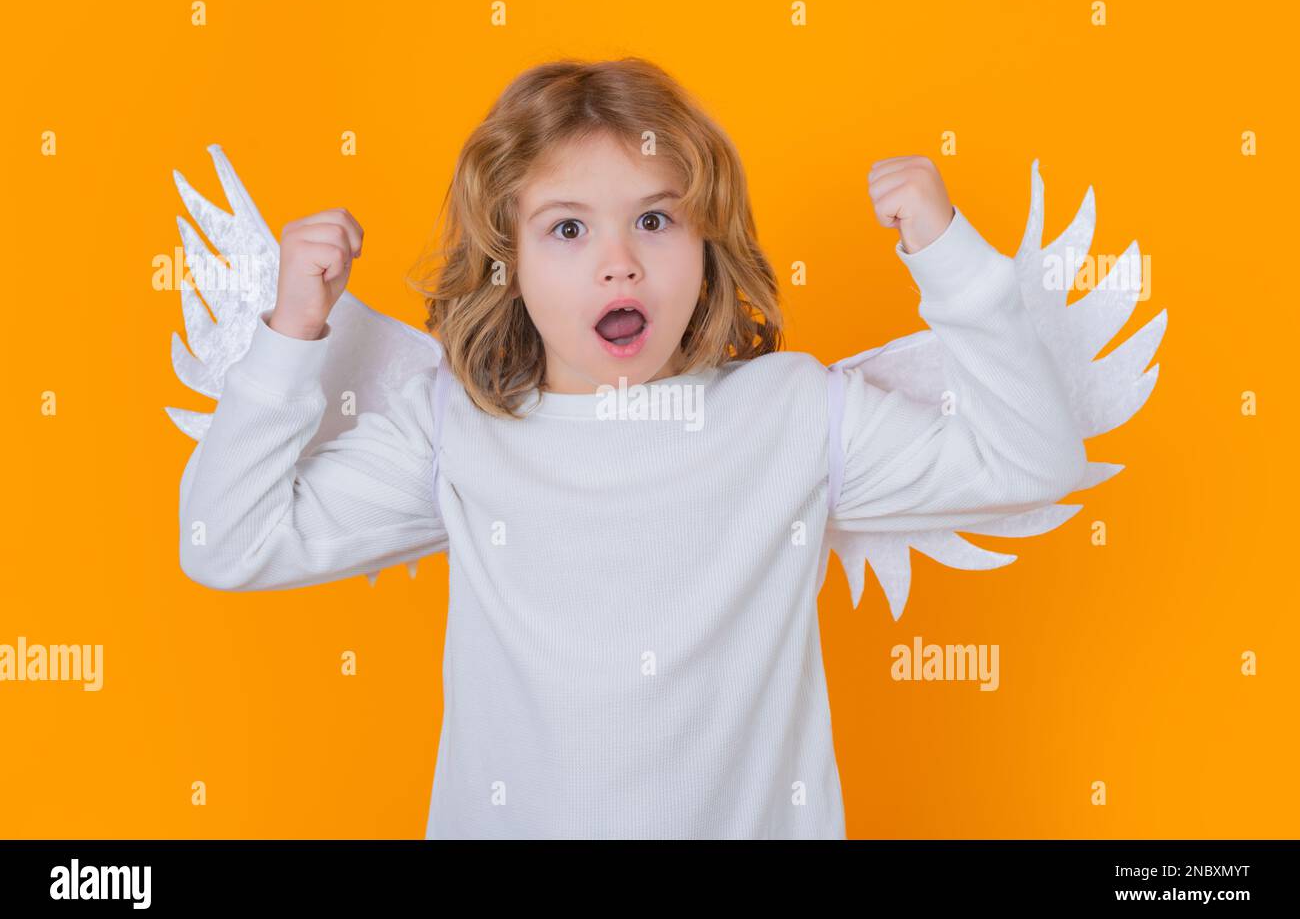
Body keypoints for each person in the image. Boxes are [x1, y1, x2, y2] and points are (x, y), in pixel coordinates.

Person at [178, 57, 1086, 838]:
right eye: (568, 229)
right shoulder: (453, 428)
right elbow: (229, 545)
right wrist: (294, 331)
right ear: (510, 263)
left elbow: (1033, 461)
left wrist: (953, 260)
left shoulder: (794, 414)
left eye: (654, 220)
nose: (620, 262)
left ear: (705, 244)